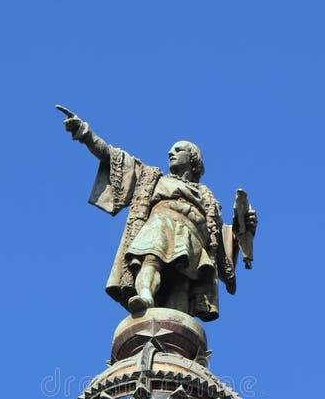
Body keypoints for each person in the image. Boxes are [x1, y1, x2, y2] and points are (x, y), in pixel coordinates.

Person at [58, 106, 256, 321]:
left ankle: (176, 321)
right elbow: (113, 157)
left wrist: (242, 228)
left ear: (193, 159)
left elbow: (220, 243)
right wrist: (85, 134)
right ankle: (145, 296)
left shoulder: (208, 198)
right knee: (151, 260)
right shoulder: (153, 178)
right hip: (161, 223)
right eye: (171, 150)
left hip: (193, 237)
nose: (170, 153)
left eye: (178, 150)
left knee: (182, 283)